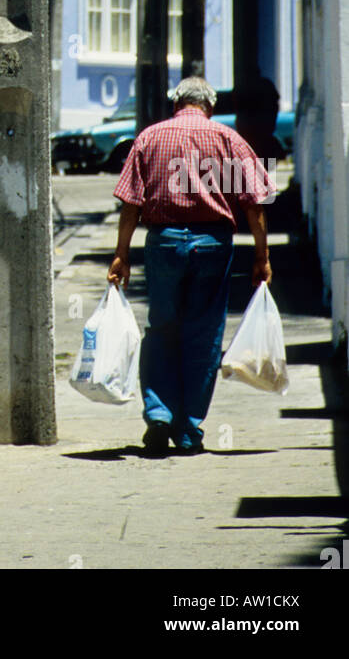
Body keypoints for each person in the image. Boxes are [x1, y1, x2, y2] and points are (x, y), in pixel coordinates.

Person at [107, 76, 274, 458]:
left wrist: (121, 253)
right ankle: (188, 430)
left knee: (162, 328)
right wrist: (262, 257)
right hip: (213, 244)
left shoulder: (150, 137)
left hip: (163, 242)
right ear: (209, 106)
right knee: (204, 336)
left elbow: (131, 203)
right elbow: (255, 204)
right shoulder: (228, 139)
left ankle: (159, 415)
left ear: (175, 104)